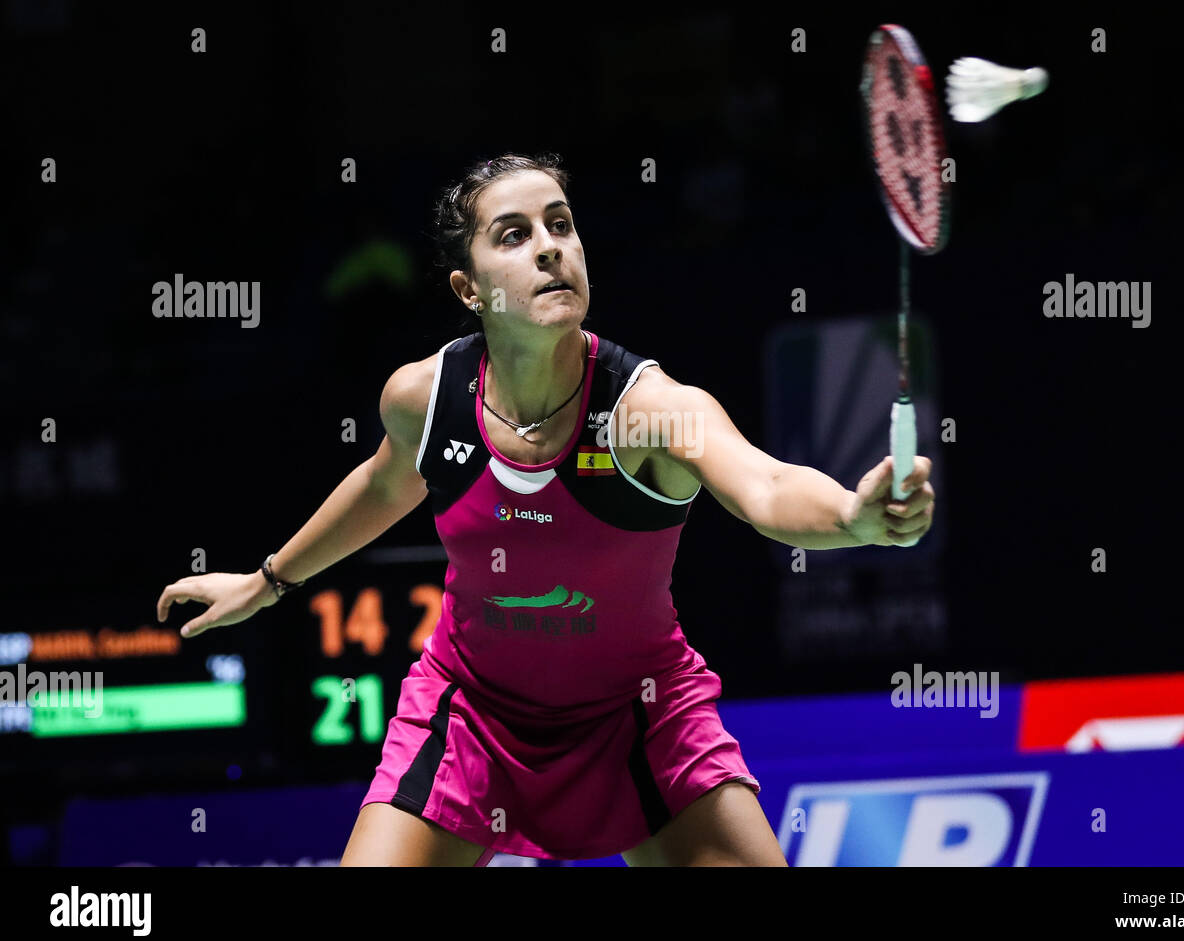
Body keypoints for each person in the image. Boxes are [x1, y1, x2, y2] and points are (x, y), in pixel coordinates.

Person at [155, 153, 936, 866]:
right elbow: (385, 485)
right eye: (514, 234)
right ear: (469, 289)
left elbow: (764, 487)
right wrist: (266, 582)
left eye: (561, 225)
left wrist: (852, 517)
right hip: (472, 713)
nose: (550, 248)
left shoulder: (647, 410)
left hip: (638, 715)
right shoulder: (426, 398)